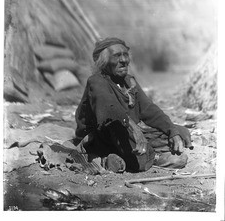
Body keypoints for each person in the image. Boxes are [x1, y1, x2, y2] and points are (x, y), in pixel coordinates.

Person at [72, 37, 193, 173]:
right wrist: (135, 131)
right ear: (103, 62)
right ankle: (114, 159)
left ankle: (139, 156)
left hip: (128, 132)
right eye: (117, 56)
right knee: (135, 152)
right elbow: (110, 109)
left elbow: (149, 109)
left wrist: (172, 131)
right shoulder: (96, 81)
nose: (124, 60)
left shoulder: (129, 81)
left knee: (180, 132)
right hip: (102, 136)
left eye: (125, 55)